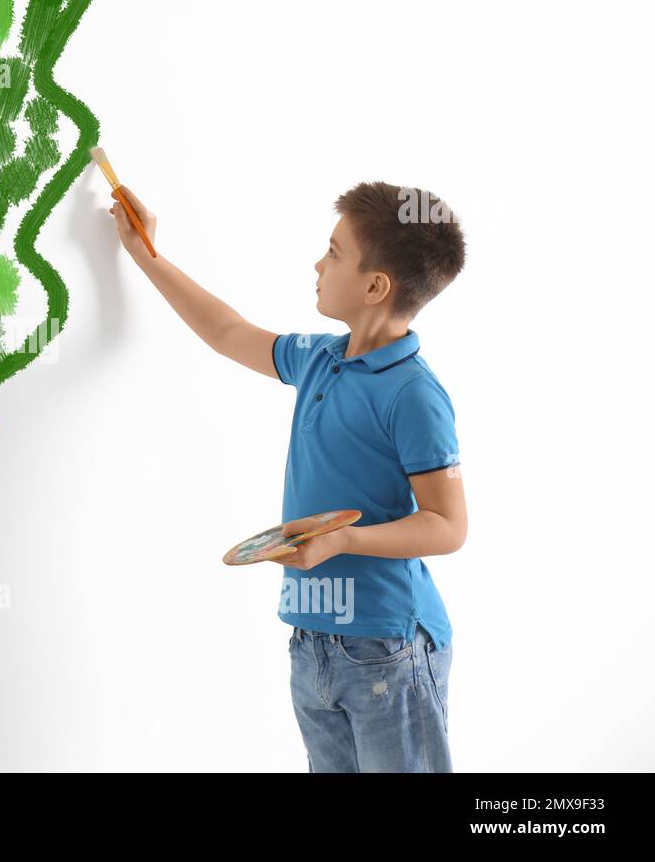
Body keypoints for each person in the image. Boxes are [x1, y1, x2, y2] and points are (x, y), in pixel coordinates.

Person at [107, 180, 467, 772]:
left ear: (376, 286)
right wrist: (147, 255)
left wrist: (346, 540)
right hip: (313, 641)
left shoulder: (414, 394)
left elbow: (448, 526)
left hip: (388, 649)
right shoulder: (318, 357)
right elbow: (227, 331)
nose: (318, 264)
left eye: (334, 252)